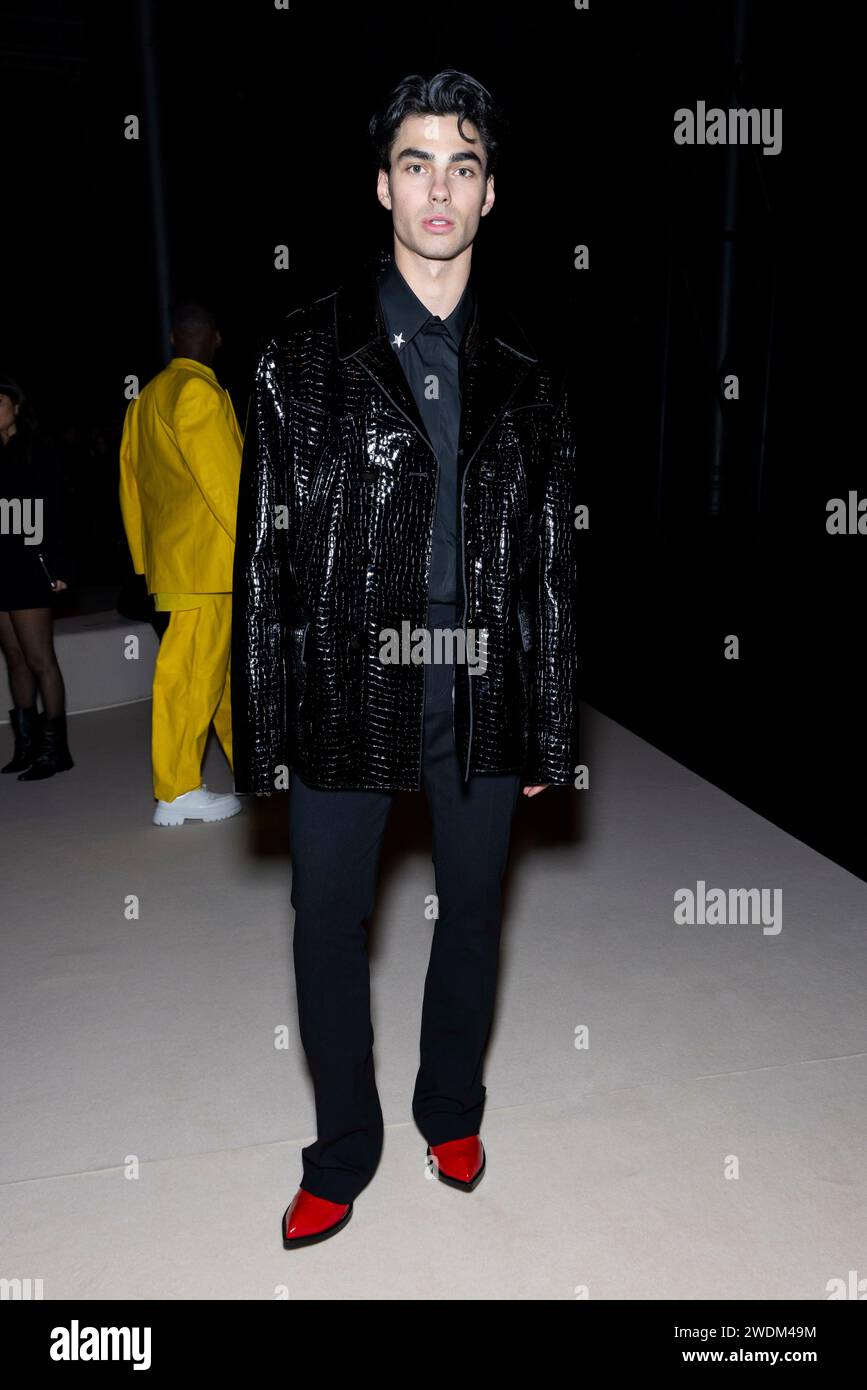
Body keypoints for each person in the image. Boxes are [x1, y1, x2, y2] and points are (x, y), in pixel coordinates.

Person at [232, 71, 579, 1247]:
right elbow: (264, 555)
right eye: (419, 162)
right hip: (344, 679)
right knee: (326, 921)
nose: (441, 186)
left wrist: (550, 717)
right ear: (383, 185)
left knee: (473, 908)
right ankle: (342, 1148)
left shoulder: (530, 378)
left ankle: (452, 1108)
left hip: (479, 685)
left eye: (465, 164)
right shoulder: (299, 356)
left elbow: (548, 568)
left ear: (491, 196)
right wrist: (263, 729)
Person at [119, 301, 244, 826]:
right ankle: (177, 789)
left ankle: (259, 766)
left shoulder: (145, 399)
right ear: (215, 338)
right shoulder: (198, 393)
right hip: (209, 563)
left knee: (220, 674)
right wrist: (258, 552)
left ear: (174, 339)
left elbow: (132, 488)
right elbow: (227, 485)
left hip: (178, 563)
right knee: (192, 674)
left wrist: (145, 562)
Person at [0, 374, 76, 780]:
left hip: (30, 563)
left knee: (39, 658)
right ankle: (26, 745)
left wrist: (59, 566)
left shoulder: (36, 449)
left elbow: (53, 509)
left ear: (17, 408)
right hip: (1, 564)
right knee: (14, 658)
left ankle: (55, 748)